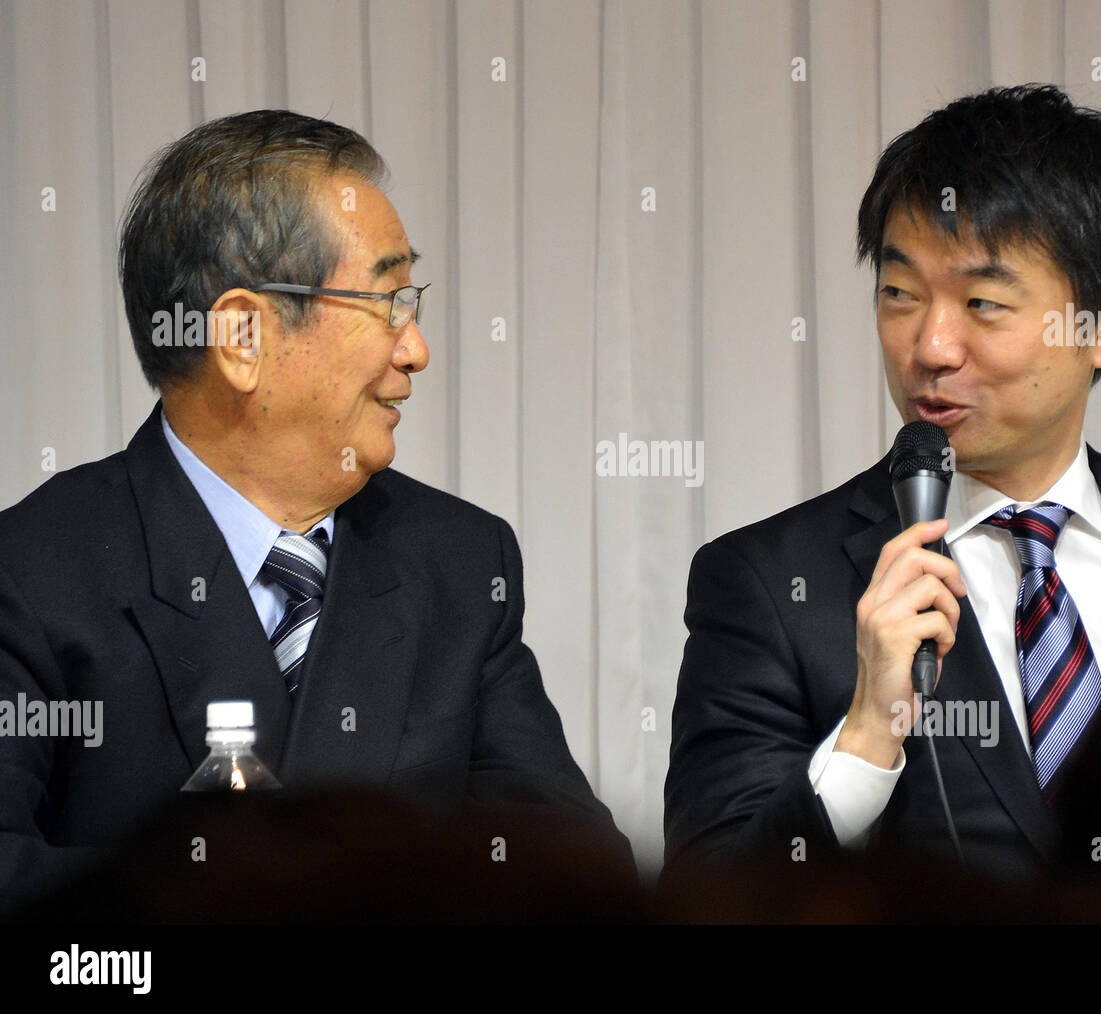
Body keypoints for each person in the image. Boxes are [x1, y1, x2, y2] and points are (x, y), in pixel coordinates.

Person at [0, 110, 630, 915]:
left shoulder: (461, 563)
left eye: (414, 300)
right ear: (240, 336)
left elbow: (573, 870)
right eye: (387, 301)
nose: (416, 350)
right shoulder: (35, 572)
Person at [664, 84, 1101, 883]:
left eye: (983, 302)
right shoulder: (769, 583)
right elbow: (709, 897)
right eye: (900, 294)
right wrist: (867, 734)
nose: (930, 345)